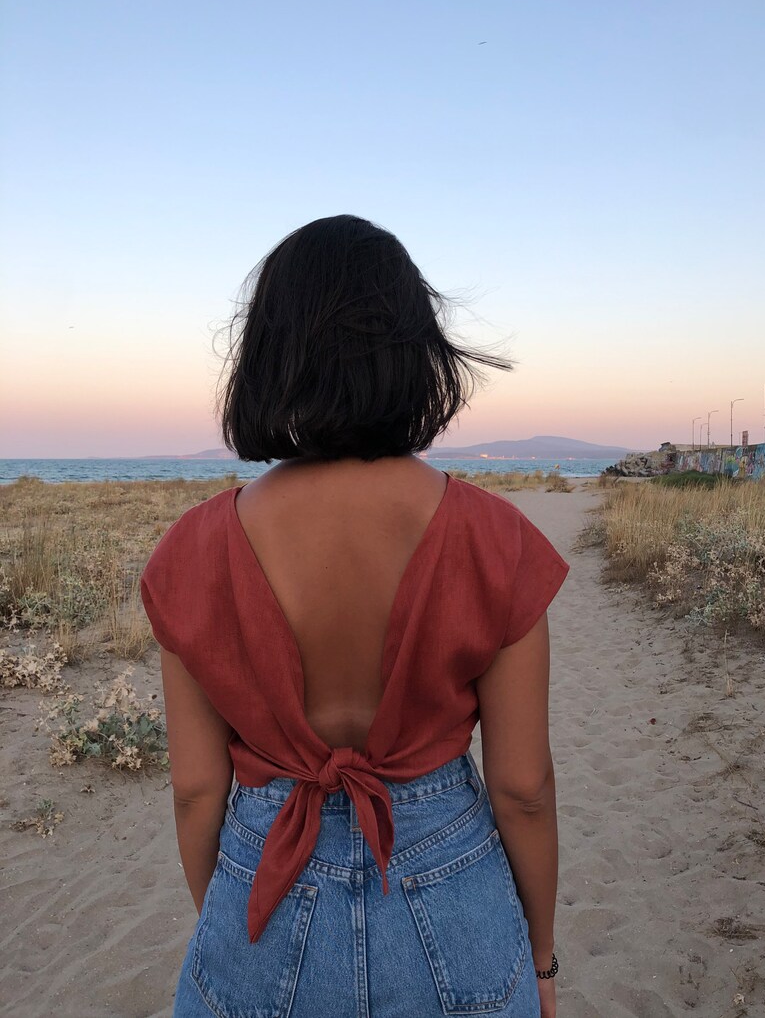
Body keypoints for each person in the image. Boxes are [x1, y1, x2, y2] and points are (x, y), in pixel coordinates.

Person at [140, 214, 569, 1018]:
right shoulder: (493, 537)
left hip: (263, 883)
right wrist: (541, 961)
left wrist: (231, 917)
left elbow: (198, 788)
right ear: (416, 353)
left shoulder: (191, 551)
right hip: (452, 888)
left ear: (269, 355)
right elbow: (523, 787)